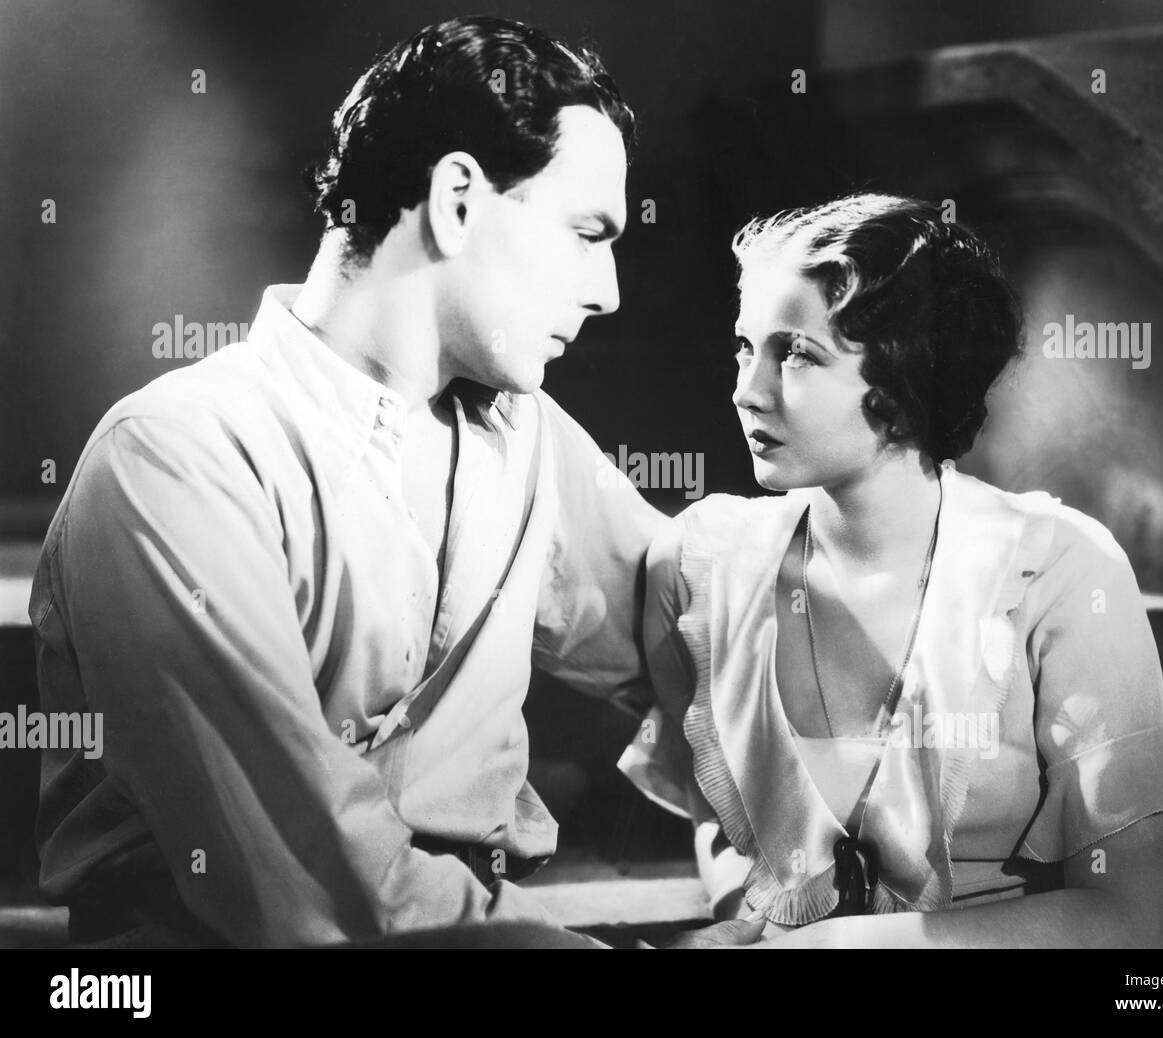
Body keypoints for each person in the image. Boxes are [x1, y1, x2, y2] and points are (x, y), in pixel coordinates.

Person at [28, 16, 757, 950]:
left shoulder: (521, 433)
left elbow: (691, 633)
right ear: (457, 198)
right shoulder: (175, 456)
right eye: (585, 233)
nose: (609, 289)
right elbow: (311, 881)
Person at [618, 194, 1163, 948]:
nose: (748, 389)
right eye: (745, 349)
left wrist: (825, 949)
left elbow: (1132, 921)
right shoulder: (697, 568)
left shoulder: (1058, 571)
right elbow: (726, 823)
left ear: (904, 379)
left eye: (797, 354)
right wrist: (742, 926)